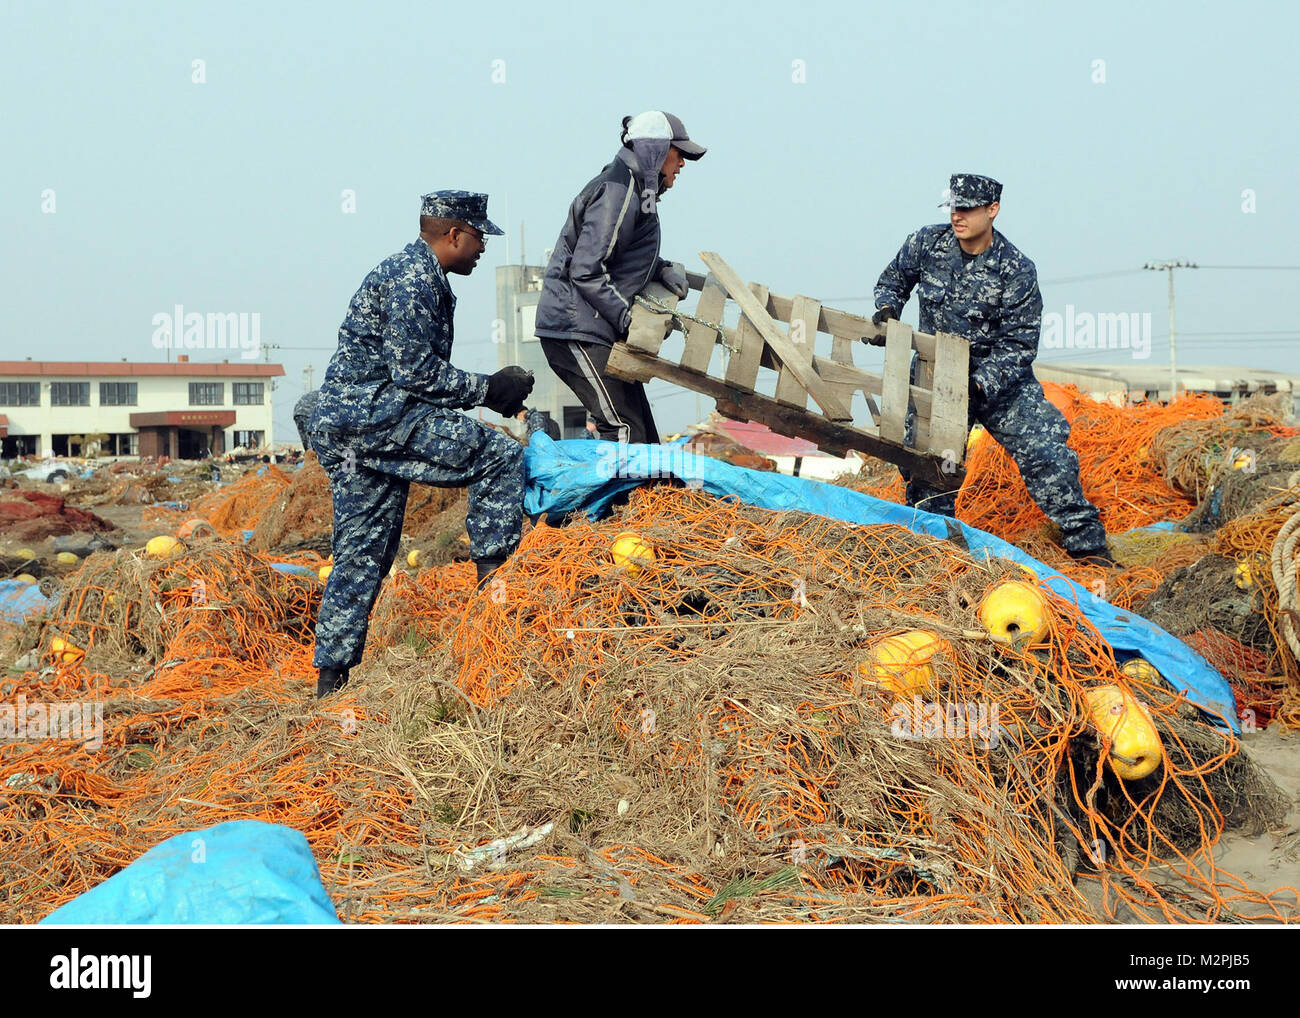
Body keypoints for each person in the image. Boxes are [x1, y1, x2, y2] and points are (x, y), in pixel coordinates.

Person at [309, 190, 535, 698]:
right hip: (375, 415)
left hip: (352, 425)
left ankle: (331, 681)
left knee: (362, 550)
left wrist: (490, 393)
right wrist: (489, 390)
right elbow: (413, 372)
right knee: (499, 457)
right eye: (479, 238)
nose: (482, 248)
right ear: (454, 234)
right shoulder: (413, 280)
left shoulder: (416, 274)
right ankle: (494, 612)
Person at [869, 173, 1113, 566]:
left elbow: (1020, 343)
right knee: (930, 467)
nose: (957, 217)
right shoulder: (926, 243)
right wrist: (887, 309)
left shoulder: (1016, 269)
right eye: (953, 208)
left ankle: (1089, 549)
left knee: (1047, 452)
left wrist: (978, 384)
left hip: (999, 383)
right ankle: (935, 554)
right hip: (937, 377)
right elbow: (894, 279)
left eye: (966, 209)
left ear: (992, 210)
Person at [534, 111, 705, 445]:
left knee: (646, 440)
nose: (682, 164)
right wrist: (629, 321)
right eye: (678, 153)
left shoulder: (635, 189)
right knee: (625, 430)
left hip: (595, 328)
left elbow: (620, 255)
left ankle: (648, 497)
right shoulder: (618, 191)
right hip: (576, 330)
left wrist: (660, 268)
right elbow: (586, 270)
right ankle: (618, 500)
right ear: (656, 151)